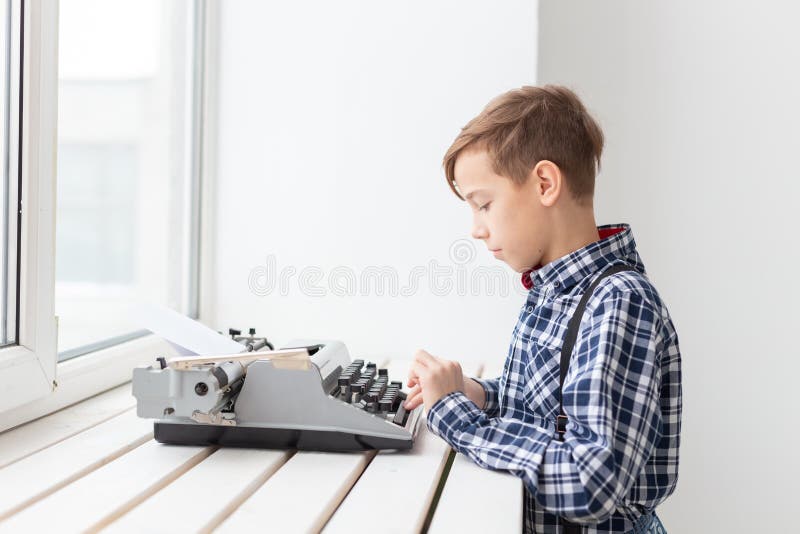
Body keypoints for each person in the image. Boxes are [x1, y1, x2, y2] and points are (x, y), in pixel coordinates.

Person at [403, 85, 681, 533]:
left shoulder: (618, 303)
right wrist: (480, 395)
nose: (476, 229)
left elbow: (589, 481)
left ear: (545, 184)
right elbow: (547, 412)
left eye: (483, 205)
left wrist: (457, 416)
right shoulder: (553, 291)